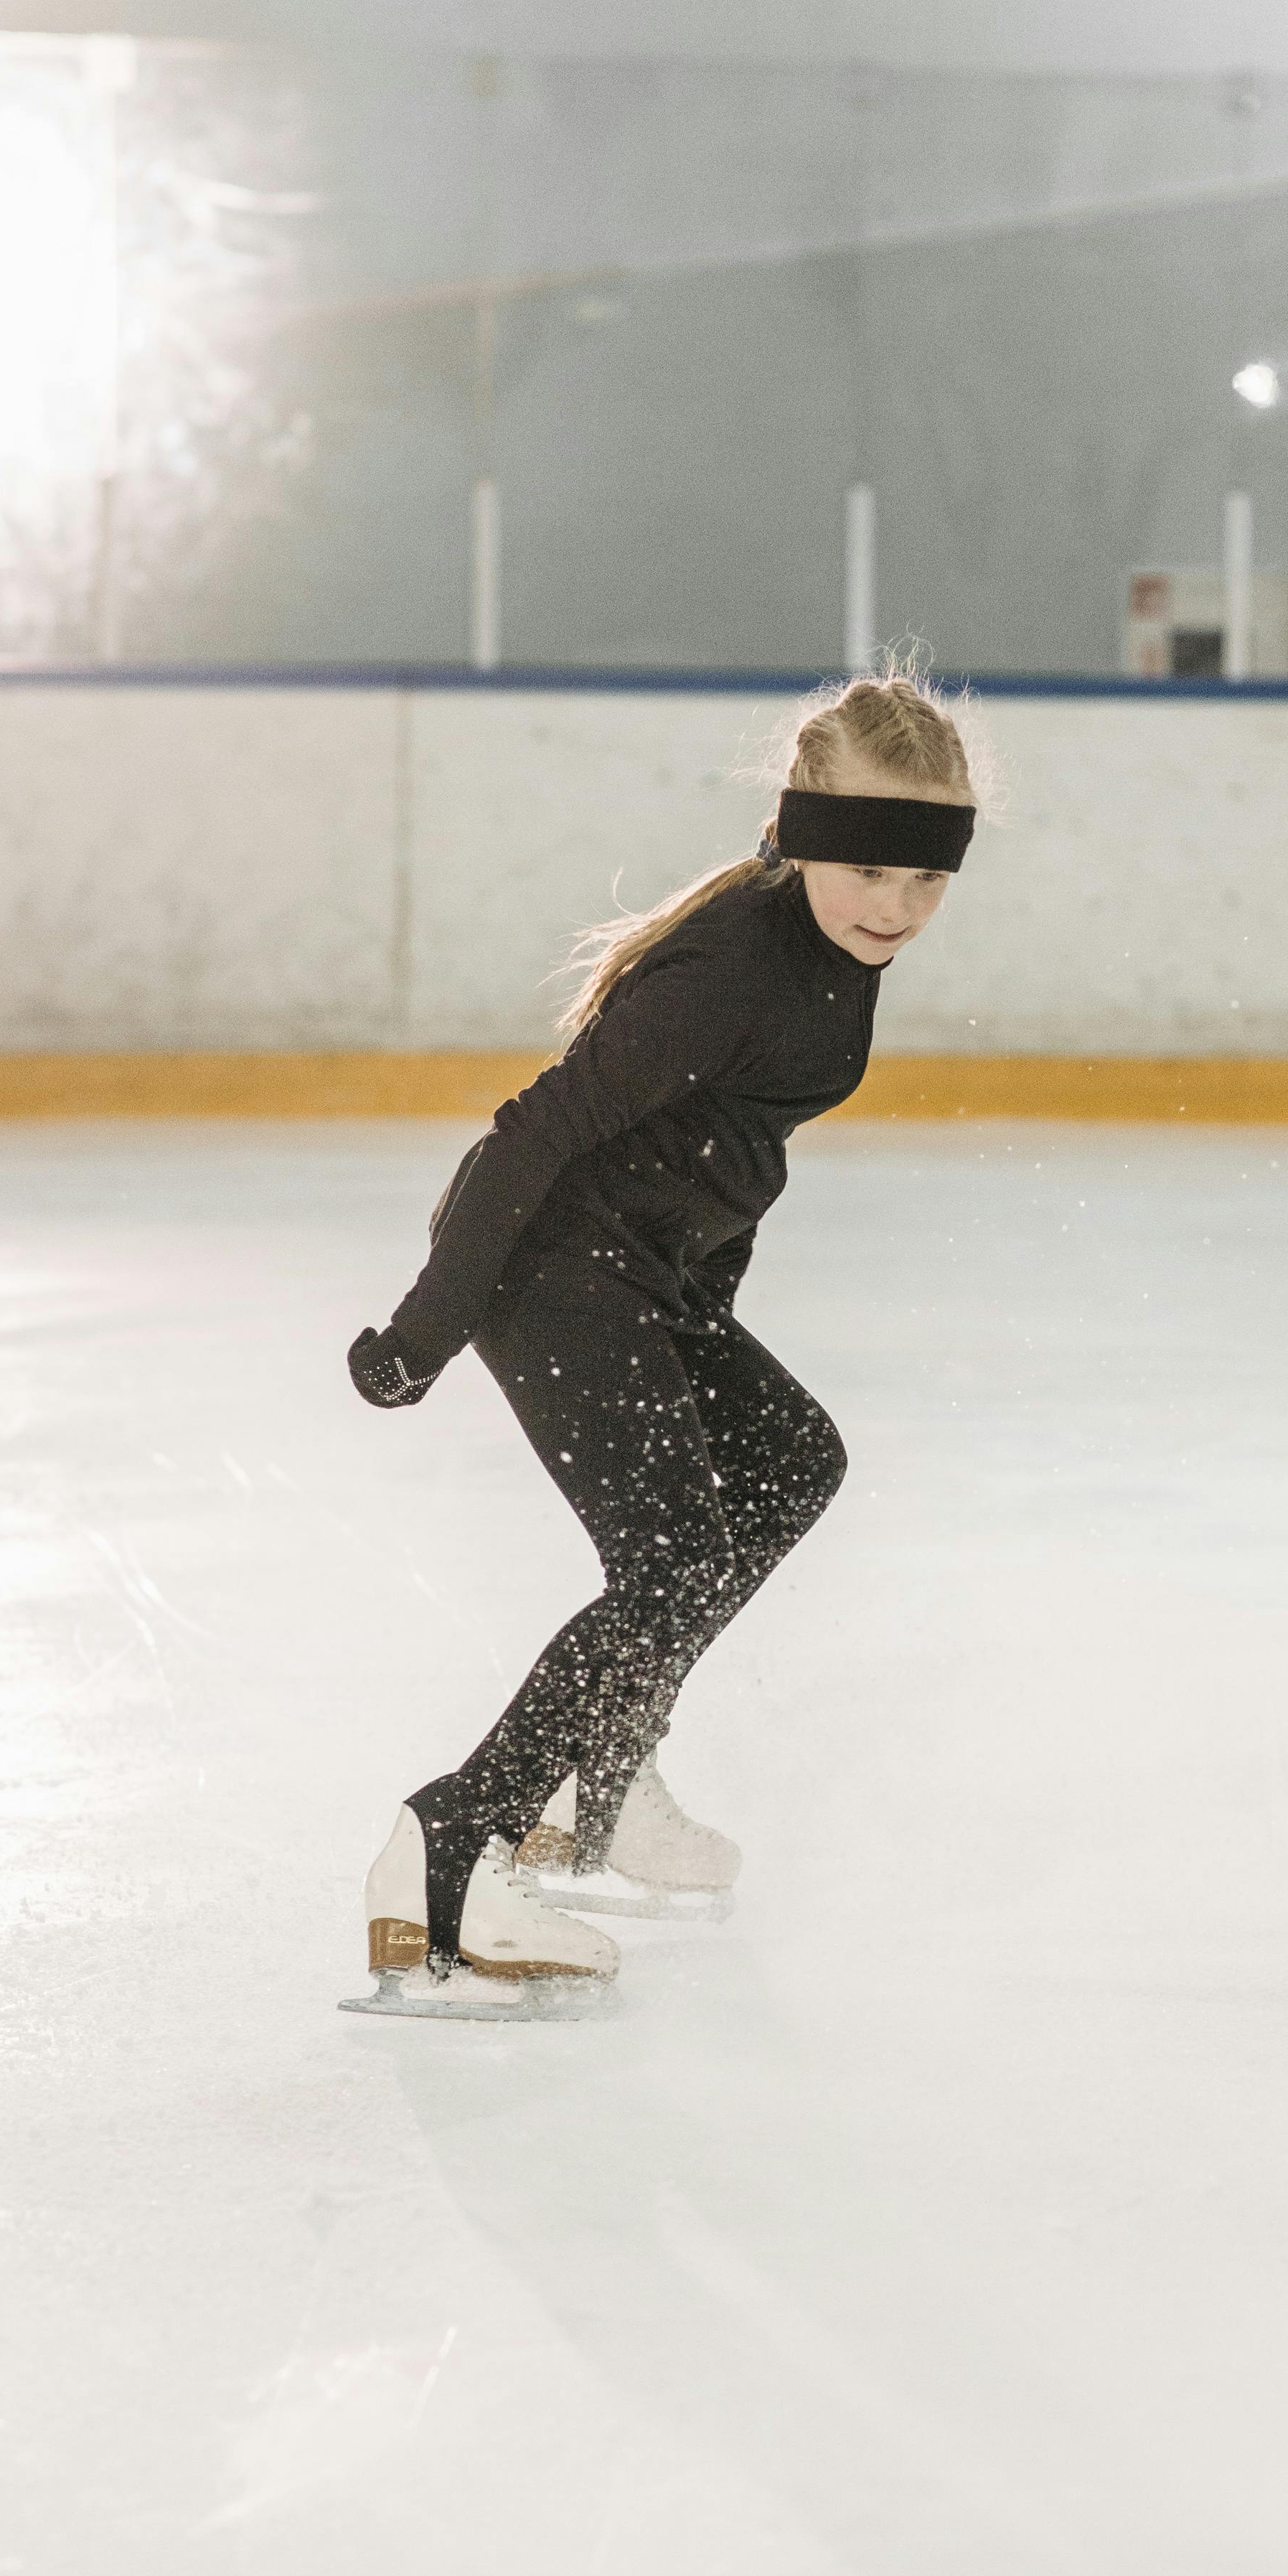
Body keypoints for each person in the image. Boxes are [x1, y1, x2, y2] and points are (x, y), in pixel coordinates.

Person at [342, 672, 979, 2013]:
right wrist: (425, 1331)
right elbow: (531, 1137)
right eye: (871, 870)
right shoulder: (734, 968)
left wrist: (701, 1307)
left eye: (928, 878)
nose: (897, 907)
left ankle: (606, 1777)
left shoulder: (829, 951)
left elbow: (731, 1158)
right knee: (675, 1556)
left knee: (790, 1462)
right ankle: (451, 1850)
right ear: (801, 837)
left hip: (645, 1276)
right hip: (551, 1269)